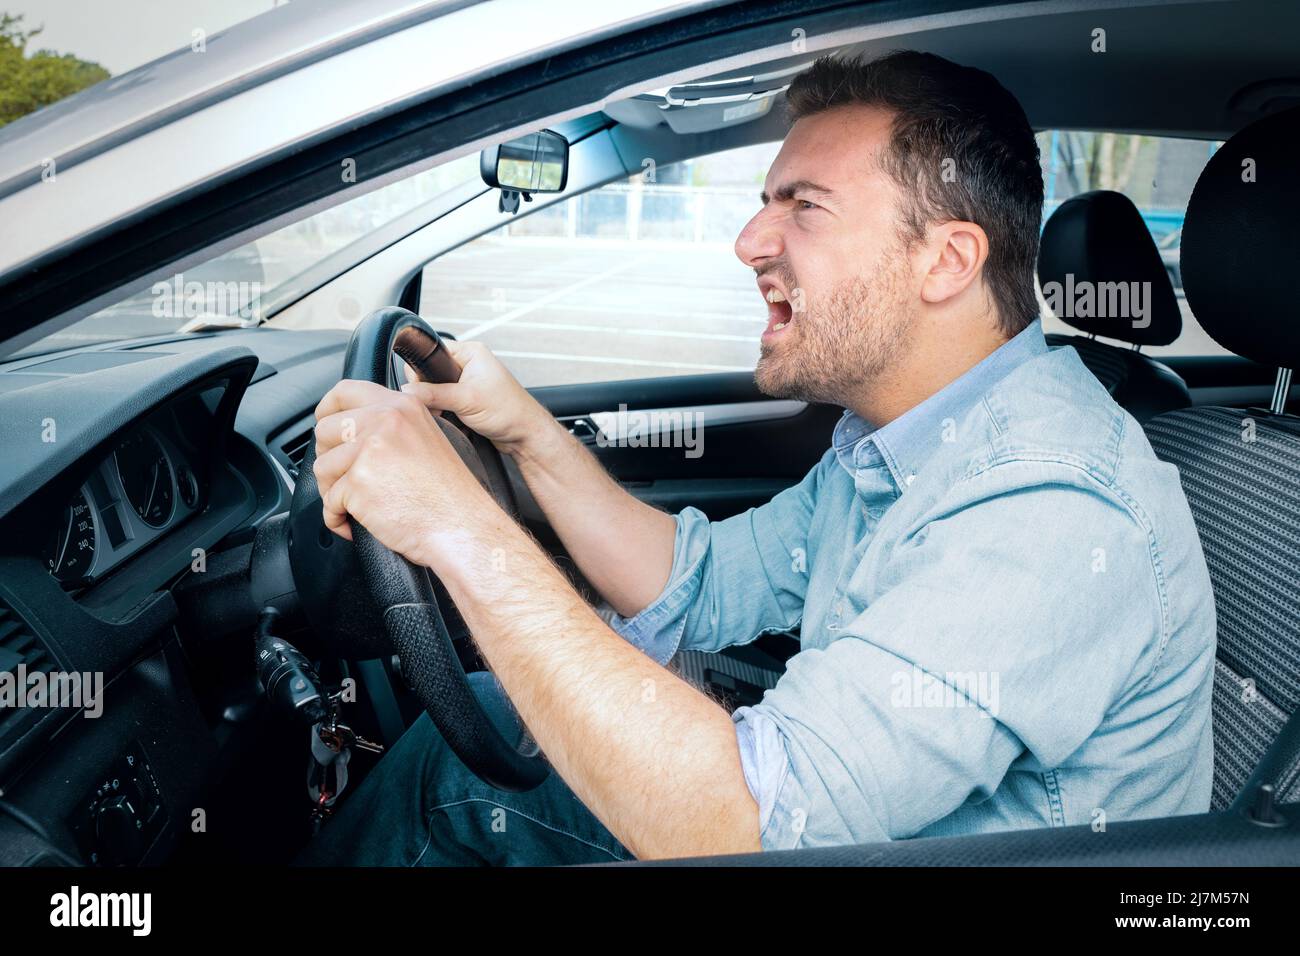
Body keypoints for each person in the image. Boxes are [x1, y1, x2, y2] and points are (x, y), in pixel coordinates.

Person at [298, 51, 1215, 866]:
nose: (750, 244)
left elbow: (751, 828)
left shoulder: (1044, 503)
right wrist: (525, 434)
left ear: (946, 262)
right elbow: (691, 581)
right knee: (485, 730)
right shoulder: (901, 444)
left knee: (454, 785)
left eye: (804, 208)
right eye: (765, 203)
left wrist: (456, 526)